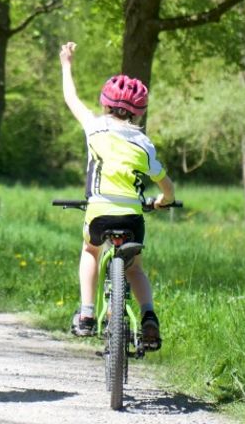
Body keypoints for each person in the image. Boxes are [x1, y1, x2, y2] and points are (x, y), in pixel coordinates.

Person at [59, 41, 175, 350]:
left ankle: (85, 314)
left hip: (98, 213)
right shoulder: (144, 143)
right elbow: (167, 186)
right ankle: (149, 316)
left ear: (105, 104)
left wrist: (67, 63)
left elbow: (71, 98)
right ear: (139, 112)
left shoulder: (94, 128)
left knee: (90, 251)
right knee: (134, 267)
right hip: (132, 217)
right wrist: (163, 201)